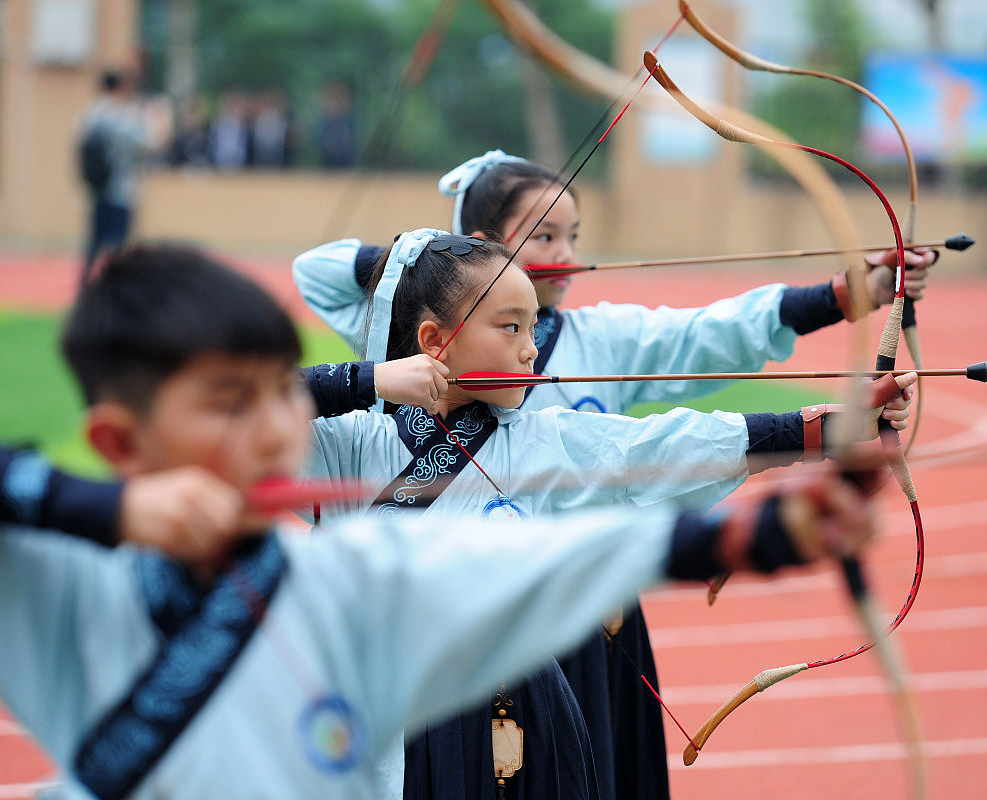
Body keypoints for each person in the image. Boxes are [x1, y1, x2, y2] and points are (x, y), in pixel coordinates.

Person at [0, 244, 884, 799]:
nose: (274, 426)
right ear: (118, 439)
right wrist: (103, 506)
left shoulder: (344, 583)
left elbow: (541, 563)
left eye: (277, 397)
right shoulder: (61, 586)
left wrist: (763, 531)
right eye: (226, 403)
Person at [292, 151, 932, 799]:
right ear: (434, 341)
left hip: (513, 708)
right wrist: (372, 373)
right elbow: (231, 406)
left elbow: (655, 447)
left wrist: (816, 429)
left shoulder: (541, 438)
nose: (530, 346)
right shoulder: (351, 443)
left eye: (532, 327)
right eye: (511, 326)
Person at [79, 69, 145, 285]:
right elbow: (142, 144)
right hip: (121, 187)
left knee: (96, 238)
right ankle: (115, 283)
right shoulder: (120, 116)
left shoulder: (90, 114)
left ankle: (86, 279)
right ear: (119, 88)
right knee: (119, 239)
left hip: (97, 185)